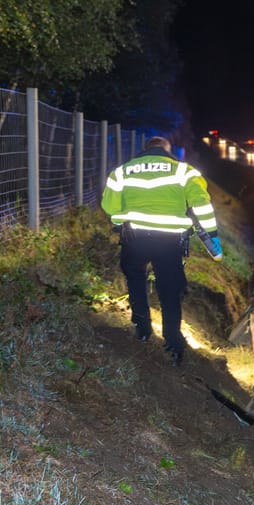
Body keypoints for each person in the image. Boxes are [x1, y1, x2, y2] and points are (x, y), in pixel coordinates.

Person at [101, 136, 223, 366]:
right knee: (169, 290)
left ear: (145, 150)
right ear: (167, 151)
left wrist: (124, 216)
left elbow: (109, 206)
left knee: (135, 280)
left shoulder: (122, 171)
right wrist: (212, 235)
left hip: (134, 239)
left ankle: (142, 329)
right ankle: (173, 343)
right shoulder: (184, 172)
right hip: (168, 242)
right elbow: (201, 204)